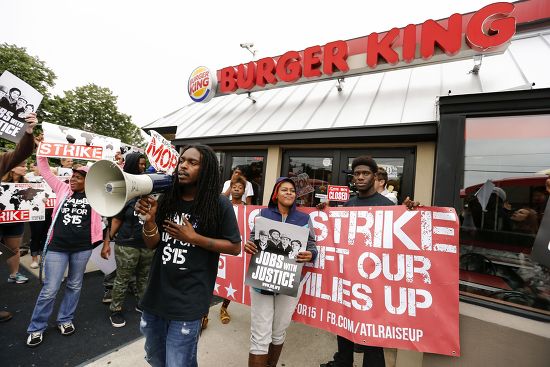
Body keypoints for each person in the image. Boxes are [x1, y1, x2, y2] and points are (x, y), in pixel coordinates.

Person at [135, 144, 241, 367]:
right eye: (182, 160)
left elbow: (234, 247)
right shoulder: (167, 198)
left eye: (192, 163)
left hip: (189, 299)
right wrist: (150, 222)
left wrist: (194, 238)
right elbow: (153, 243)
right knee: (155, 359)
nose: (183, 165)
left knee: (178, 362)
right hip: (157, 294)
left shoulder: (219, 203)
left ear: (207, 170)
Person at [320, 155, 418, 367]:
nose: (360, 177)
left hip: (375, 281)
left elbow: (401, 242)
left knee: (373, 333)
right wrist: (322, 214)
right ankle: (343, 362)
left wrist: (411, 213)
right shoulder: (347, 206)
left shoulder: (389, 207)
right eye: (357, 174)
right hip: (349, 279)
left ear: (375, 177)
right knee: (344, 324)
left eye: (365, 173)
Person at [26, 157, 103, 347]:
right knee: (50, 289)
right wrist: (42, 152)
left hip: (82, 248)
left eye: (79, 177)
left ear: (89, 181)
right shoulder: (62, 189)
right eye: (72, 176)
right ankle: (36, 328)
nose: (73, 179)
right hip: (57, 248)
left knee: (75, 285)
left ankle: (65, 319)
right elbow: (45, 171)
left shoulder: (97, 196)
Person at [244, 177, 318, 367]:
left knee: (278, 331)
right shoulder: (263, 214)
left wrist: (310, 254)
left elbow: (312, 246)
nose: (289, 193)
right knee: (260, 334)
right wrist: (249, 246)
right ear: (276, 194)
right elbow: (253, 239)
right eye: (284, 190)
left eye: (292, 190)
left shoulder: (304, 219)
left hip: (290, 280)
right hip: (263, 280)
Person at [101, 153, 154, 328]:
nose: (143, 168)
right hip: (127, 245)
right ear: (131, 165)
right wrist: (107, 242)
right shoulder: (124, 193)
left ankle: (142, 304)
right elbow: (116, 220)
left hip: (146, 245)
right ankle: (115, 310)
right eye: (140, 164)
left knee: (143, 278)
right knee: (122, 279)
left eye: (144, 164)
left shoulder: (149, 189)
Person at [0, 113, 37, 323]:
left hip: (10, 220)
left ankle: (13, 273)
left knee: (9, 250)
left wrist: (29, 131)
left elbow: (22, 151)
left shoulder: (3, 160)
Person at [220, 175, 248, 325]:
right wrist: (230, 183)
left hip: (236, 249)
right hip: (221, 247)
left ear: (244, 191)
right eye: (234, 187)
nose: (237, 190)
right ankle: (203, 313)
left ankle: (224, 307)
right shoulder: (223, 204)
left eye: (240, 188)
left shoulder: (248, 209)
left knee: (232, 279)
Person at [1, 160, 29, 285]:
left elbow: (31, 202)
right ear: (12, 168)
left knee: (14, 249)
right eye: (22, 165)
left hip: (16, 221)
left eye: (26, 165)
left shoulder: (27, 184)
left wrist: (42, 200)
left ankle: (14, 274)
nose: (26, 167)